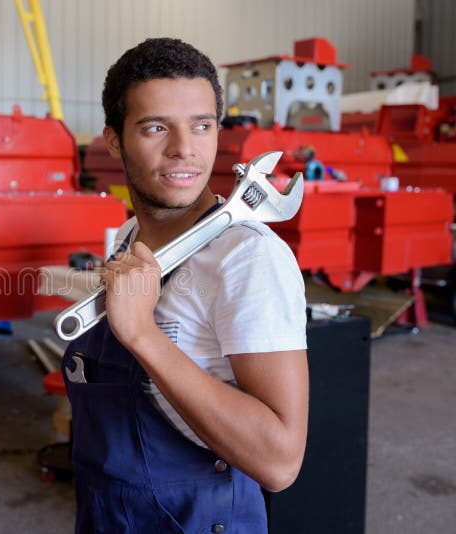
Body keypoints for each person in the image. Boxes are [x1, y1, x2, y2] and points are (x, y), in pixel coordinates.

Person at [61, 38, 309, 533]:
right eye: (156, 127)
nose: (184, 149)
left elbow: (280, 462)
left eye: (202, 125)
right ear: (113, 140)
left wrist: (142, 336)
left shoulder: (249, 258)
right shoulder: (132, 236)